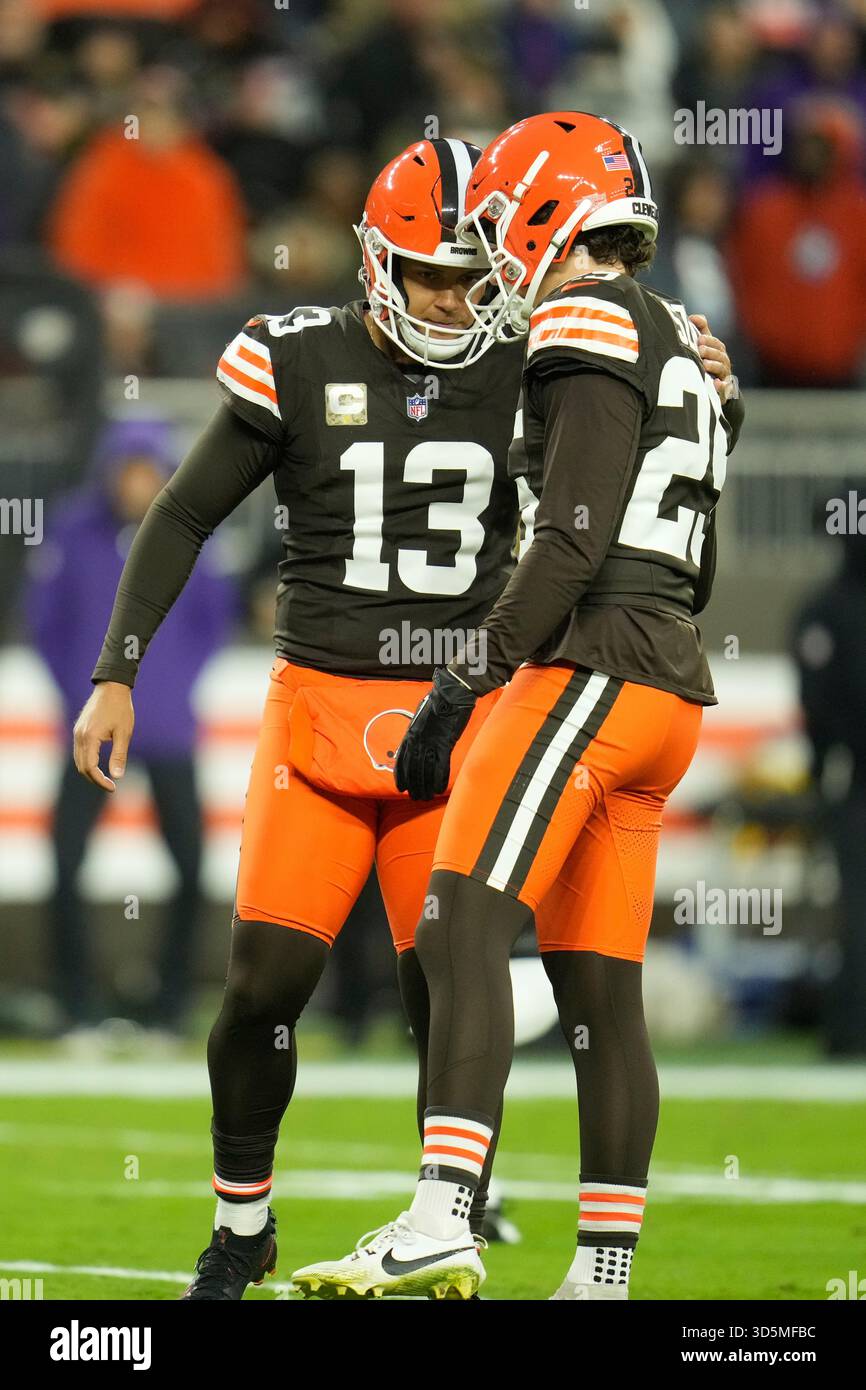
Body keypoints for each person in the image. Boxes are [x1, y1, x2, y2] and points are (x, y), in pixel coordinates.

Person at [73, 132, 733, 1302]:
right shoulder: (297, 354)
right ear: (374, 261)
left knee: (447, 970)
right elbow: (179, 515)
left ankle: (449, 1209)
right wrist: (116, 667)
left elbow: (617, 434)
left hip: (466, 710)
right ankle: (244, 1222)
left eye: (469, 273)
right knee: (265, 985)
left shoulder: (546, 339)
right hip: (325, 709)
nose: (451, 295)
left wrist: (701, 370)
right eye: (428, 271)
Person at [292, 111, 745, 1301]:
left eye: (496, 221)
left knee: (456, 923)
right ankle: (600, 1275)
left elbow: (574, 534)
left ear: (547, 209)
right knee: (600, 991)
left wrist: (468, 673)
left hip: (590, 667)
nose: (490, 254)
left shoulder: (583, 316)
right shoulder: (676, 336)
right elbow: (681, 516)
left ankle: (443, 1213)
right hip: (667, 681)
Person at [26, 418, 235, 1035]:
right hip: (93, 726)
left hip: (166, 728)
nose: (138, 483)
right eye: (129, 470)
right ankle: (76, 1001)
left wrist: (169, 690)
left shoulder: (191, 533)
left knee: (192, 862)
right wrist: (80, 696)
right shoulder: (72, 530)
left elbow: (211, 621)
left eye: (149, 471)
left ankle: (171, 1001)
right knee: (65, 861)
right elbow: (45, 623)